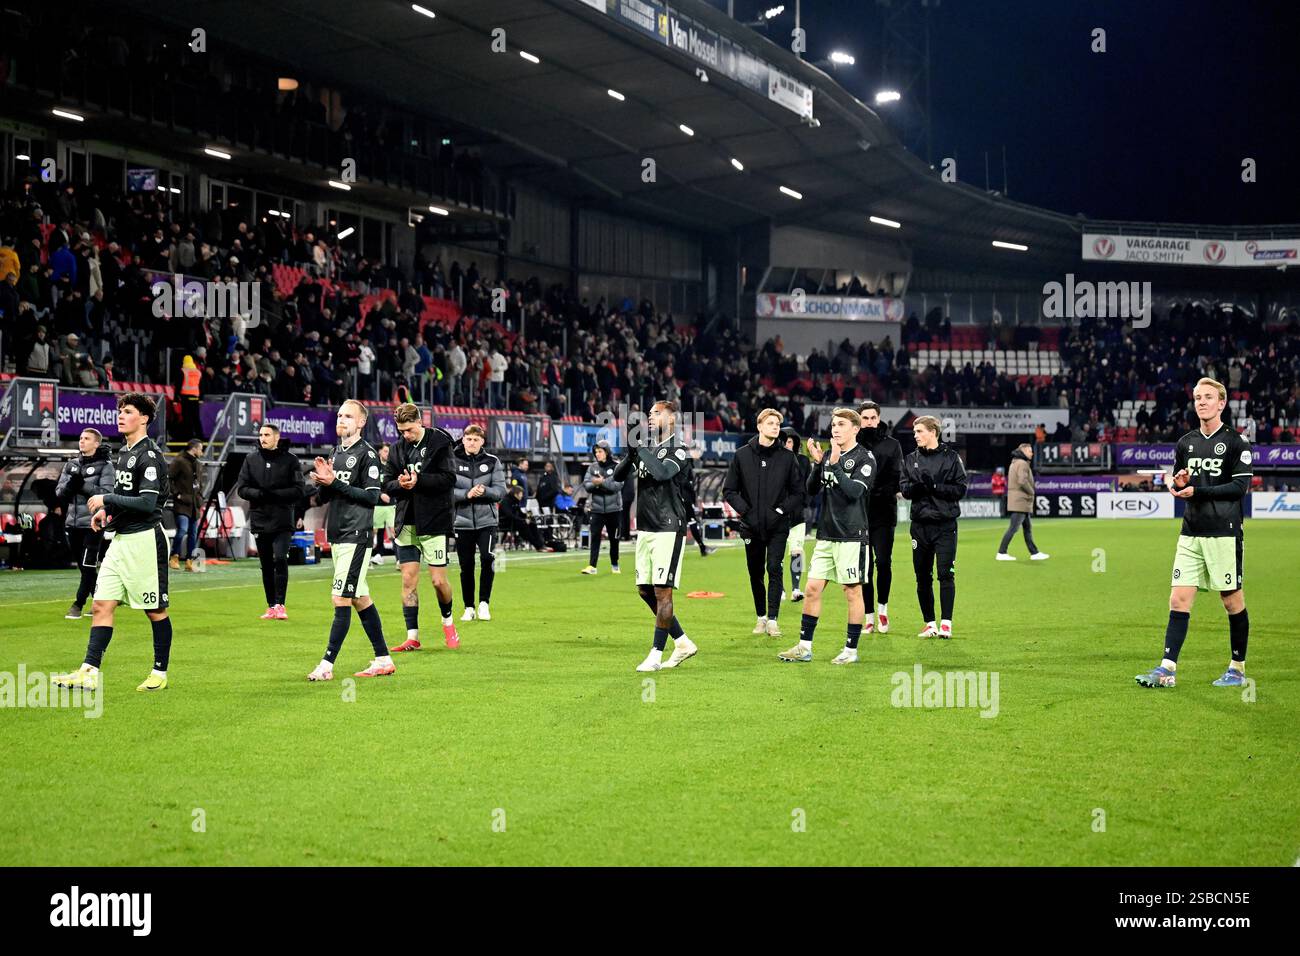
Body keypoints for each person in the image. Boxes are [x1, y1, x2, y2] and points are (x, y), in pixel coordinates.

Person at [1136, 378, 1253, 689]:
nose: (1201, 402)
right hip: (1190, 532)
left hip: (1223, 533)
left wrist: (1197, 491)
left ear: (1221, 403)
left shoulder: (1236, 443)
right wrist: (1179, 481)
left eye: (1208, 397)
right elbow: (1179, 482)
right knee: (1178, 599)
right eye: (1197, 397)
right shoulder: (1186, 442)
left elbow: (1240, 488)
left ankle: (1237, 668)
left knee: (1231, 601)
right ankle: (1167, 669)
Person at [53, 393, 174, 692]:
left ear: (143, 418)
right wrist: (108, 512)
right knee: (101, 604)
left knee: (154, 610)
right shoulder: (123, 452)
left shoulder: (149, 455)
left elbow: (147, 503)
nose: (120, 416)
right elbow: (127, 498)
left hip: (145, 540)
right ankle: (88, 672)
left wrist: (105, 498)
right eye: (120, 411)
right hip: (120, 539)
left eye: (128, 411)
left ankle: (159, 673)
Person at [305, 400, 395, 680]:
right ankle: (383, 658)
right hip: (339, 532)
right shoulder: (335, 452)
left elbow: (371, 497)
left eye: (348, 416)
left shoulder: (367, 454)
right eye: (339, 415)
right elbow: (331, 494)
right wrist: (320, 485)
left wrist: (334, 483)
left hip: (356, 534)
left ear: (361, 423)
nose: (341, 420)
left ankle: (326, 665)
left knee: (340, 598)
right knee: (360, 598)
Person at [778, 408, 876, 664]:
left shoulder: (865, 458)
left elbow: (854, 492)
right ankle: (804, 647)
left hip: (852, 536)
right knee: (811, 588)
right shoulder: (830, 456)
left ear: (855, 429)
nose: (835, 429)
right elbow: (811, 489)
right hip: (826, 534)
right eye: (833, 424)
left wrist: (834, 464)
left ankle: (851, 650)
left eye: (841, 424)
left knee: (852, 591)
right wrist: (819, 463)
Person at [613, 400, 698, 672]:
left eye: (656, 413)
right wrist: (630, 453)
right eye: (649, 413)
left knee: (663, 592)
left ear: (672, 419)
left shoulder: (679, 450)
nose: (650, 417)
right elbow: (617, 476)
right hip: (646, 527)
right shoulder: (647, 448)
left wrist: (640, 450)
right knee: (644, 590)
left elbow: (661, 473)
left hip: (668, 527)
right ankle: (683, 642)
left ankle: (656, 654)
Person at [384, 402, 460, 653]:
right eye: (401, 431)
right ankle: (412, 636)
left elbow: (449, 479)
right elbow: (387, 484)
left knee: (438, 581)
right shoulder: (397, 449)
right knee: (408, 580)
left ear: (420, 421)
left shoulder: (439, 443)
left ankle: (448, 622)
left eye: (409, 430)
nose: (405, 435)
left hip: (434, 521)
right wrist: (401, 484)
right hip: (407, 521)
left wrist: (419, 481)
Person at [723, 408, 803, 638]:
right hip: (751, 526)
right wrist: (746, 512)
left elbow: (799, 493)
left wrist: (780, 510)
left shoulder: (788, 457)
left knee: (774, 568)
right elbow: (729, 490)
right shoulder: (741, 455)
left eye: (777, 423)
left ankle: (773, 620)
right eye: (770, 423)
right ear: (759, 426)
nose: (775, 427)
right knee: (755, 572)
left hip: (778, 526)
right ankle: (760, 617)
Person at [899, 415, 968, 639]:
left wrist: (936, 486)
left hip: (945, 525)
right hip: (919, 525)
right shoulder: (910, 459)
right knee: (922, 576)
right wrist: (920, 487)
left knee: (945, 574)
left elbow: (960, 489)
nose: (916, 436)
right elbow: (905, 490)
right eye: (915, 432)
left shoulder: (951, 457)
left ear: (933, 432)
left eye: (919, 431)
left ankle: (946, 623)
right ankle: (930, 624)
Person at [236, 423, 307, 620]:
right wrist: (258, 494)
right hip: (260, 519)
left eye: (267, 434)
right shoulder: (251, 460)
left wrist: (274, 495)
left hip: (282, 519)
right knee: (266, 564)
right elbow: (242, 488)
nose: (263, 438)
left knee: (280, 558)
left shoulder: (291, 460)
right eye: (260, 434)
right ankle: (271, 606)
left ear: (276, 437)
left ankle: (281, 604)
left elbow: (299, 490)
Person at [55, 428, 116, 620]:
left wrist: (82, 485)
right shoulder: (71, 465)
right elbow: (59, 493)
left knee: (87, 565)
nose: (82, 441)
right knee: (84, 568)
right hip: (72, 523)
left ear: (96, 443)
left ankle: (77, 604)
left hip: (94, 523)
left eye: (87, 438)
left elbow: (107, 493)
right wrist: (69, 487)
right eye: (80, 438)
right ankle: (102, 599)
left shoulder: (106, 466)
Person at [858, 402, 904, 632]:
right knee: (864, 568)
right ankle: (868, 616)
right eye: (864, 418)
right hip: (858, 515)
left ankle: (883, 610)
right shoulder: (853, 444)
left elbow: (897, 476)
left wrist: (874, 491)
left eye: (872, 417)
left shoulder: (892, 445)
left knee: (883, 562)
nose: (869, 422)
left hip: (884, 511)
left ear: (878, 419)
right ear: (859, 420)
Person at [452, 424, 506, 621]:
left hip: (487, 521)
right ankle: (468, 607)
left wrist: (485, 491)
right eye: (469, 439)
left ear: (482, 441)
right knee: (466, 566)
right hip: (462, 522)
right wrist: (466, 494)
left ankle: (484, 603)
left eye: (476, 439)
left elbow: (501, 491)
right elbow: (446, 491)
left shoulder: (493, 461)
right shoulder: (452, 460)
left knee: (487, 559)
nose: (472, 442)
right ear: (463, 439)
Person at [997, 443, 1049, 561]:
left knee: (1027, 528)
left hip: (1020, 501)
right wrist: (1031, 491)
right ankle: (1001, 552)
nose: (1032, 453)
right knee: (1013, 528)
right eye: (1030, 451)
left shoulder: (1015, 462)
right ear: (1024, 451)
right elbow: (1022, 481)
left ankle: (1034, 552)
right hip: (1020, 501)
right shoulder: (1022, 463)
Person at [580, 440, 624, 574]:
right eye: (596, 452)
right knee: (595, 538)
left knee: (614, 539)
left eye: (600, 451)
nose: (597, 454)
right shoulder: (592, 467)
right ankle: (592, 566)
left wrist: (601, 482)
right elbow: (587, 485)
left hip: (614, 509)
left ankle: (615, 564)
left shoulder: (617, 466)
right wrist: (603, 484)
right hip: (597, 509)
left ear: (607, 452)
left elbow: (617, 486)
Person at [779, 427, 811, 602]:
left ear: (796, 443)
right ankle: (780, 589)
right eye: (784, 441)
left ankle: (796, 589)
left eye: (790, 441)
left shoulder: (803, 461)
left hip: (797, 515)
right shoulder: (774, 460)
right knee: (777, 554)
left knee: (797, 552)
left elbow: (804, 486)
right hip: (779, 515)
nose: (787, 444)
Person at [167, 439, 203, 571]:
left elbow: (199, 483)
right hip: (182, 504)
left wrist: (200, 498)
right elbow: (169, 478)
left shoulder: (198, 464)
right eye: (200, 449)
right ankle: (174, 557)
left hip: (194, 504)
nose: (202, 452)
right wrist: (177, 494)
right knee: (182, 530)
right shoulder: (179, 461)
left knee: (193, 533)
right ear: (194, 449)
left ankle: (189, 561)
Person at [370, 442, 396, 565]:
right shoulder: (375, 466)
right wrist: (381, 494)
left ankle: (399, 559)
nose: (387, 454)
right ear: (380, 452)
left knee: (394, 531)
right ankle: (378, 554)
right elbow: (371, 484)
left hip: (391, 505)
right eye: (385, 451)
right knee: (377, 531)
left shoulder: (392, 466)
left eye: (389, 451)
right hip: (378, 505)